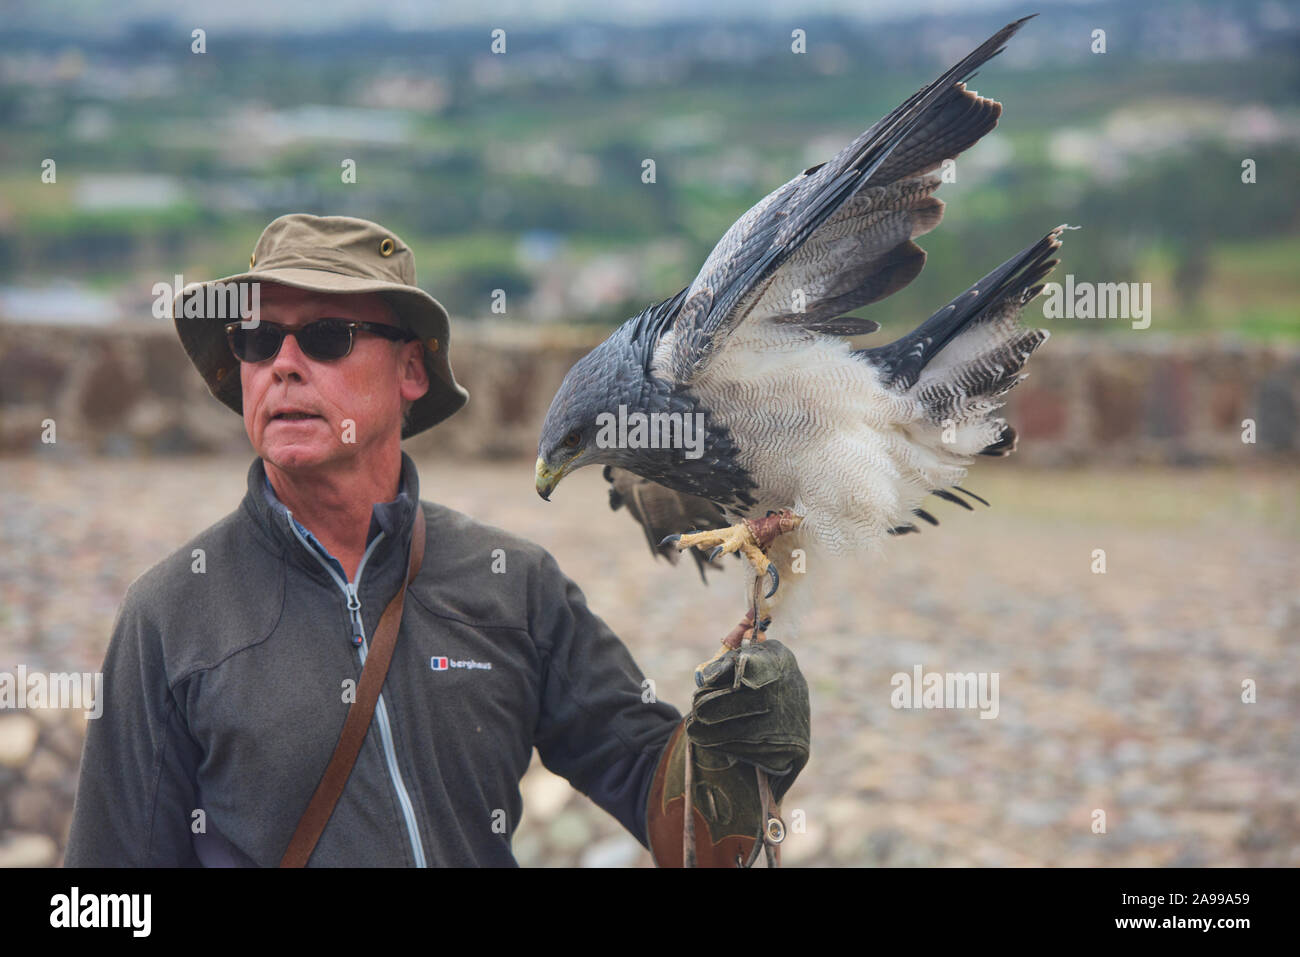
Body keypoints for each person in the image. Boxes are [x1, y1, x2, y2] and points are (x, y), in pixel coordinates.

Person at [64, 214, 809, 867]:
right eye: (258, 338)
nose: (283, 363)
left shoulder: (511, 584)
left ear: (411, 369)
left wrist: (732, 758)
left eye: (325, 336)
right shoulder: (170, 614)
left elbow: (662, 796)